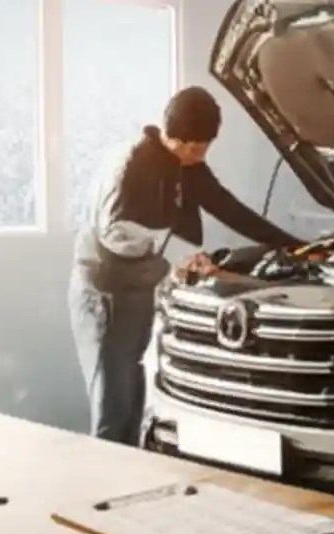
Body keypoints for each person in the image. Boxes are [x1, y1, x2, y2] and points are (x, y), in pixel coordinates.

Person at [68, 86, 304, 445]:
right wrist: (169, 266)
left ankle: (131, 480)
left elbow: (228, 207)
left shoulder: (186, 165)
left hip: (136, 290)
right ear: (180, 139)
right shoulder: (132, 163)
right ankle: (103, 489)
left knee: (133, 395)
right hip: (105, 293)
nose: (200, 155)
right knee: (112, 403)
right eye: (197, 147)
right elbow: (114, 231)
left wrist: (296, 247)